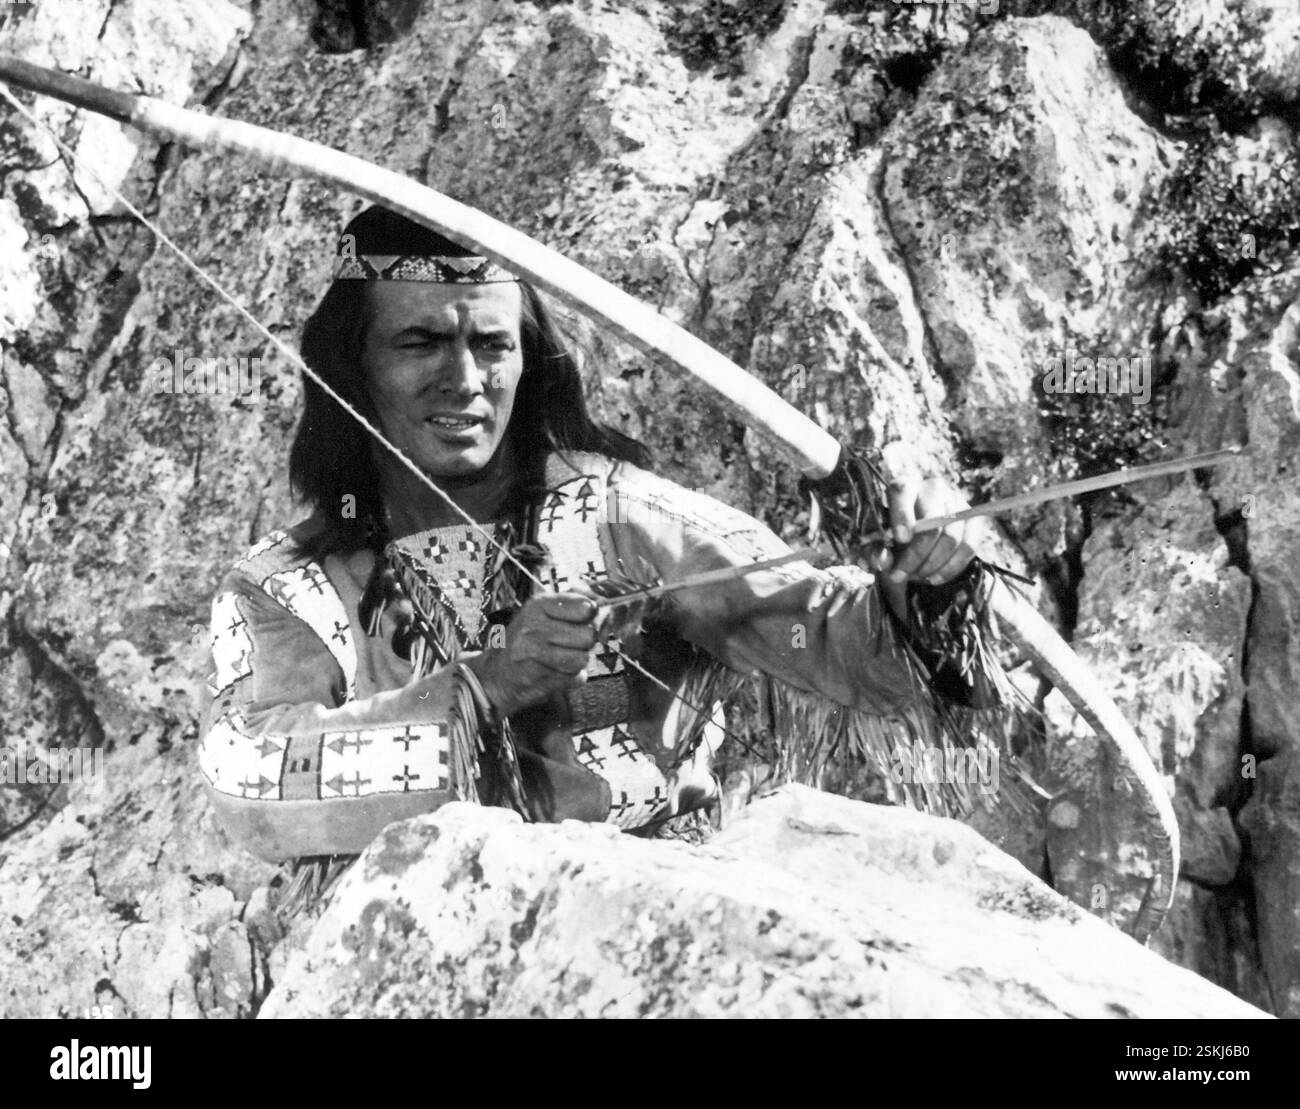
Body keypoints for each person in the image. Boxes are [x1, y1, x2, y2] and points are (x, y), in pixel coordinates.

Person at [197, 205, 995, 871]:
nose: (467, 381)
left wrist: (923, 587)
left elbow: (837, 644)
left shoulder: (621, 518)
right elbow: (247, 778)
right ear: (351, 368)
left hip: (646, 922)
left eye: (492, 344)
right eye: (421, 343)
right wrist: (485, 686)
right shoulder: (281, 586)